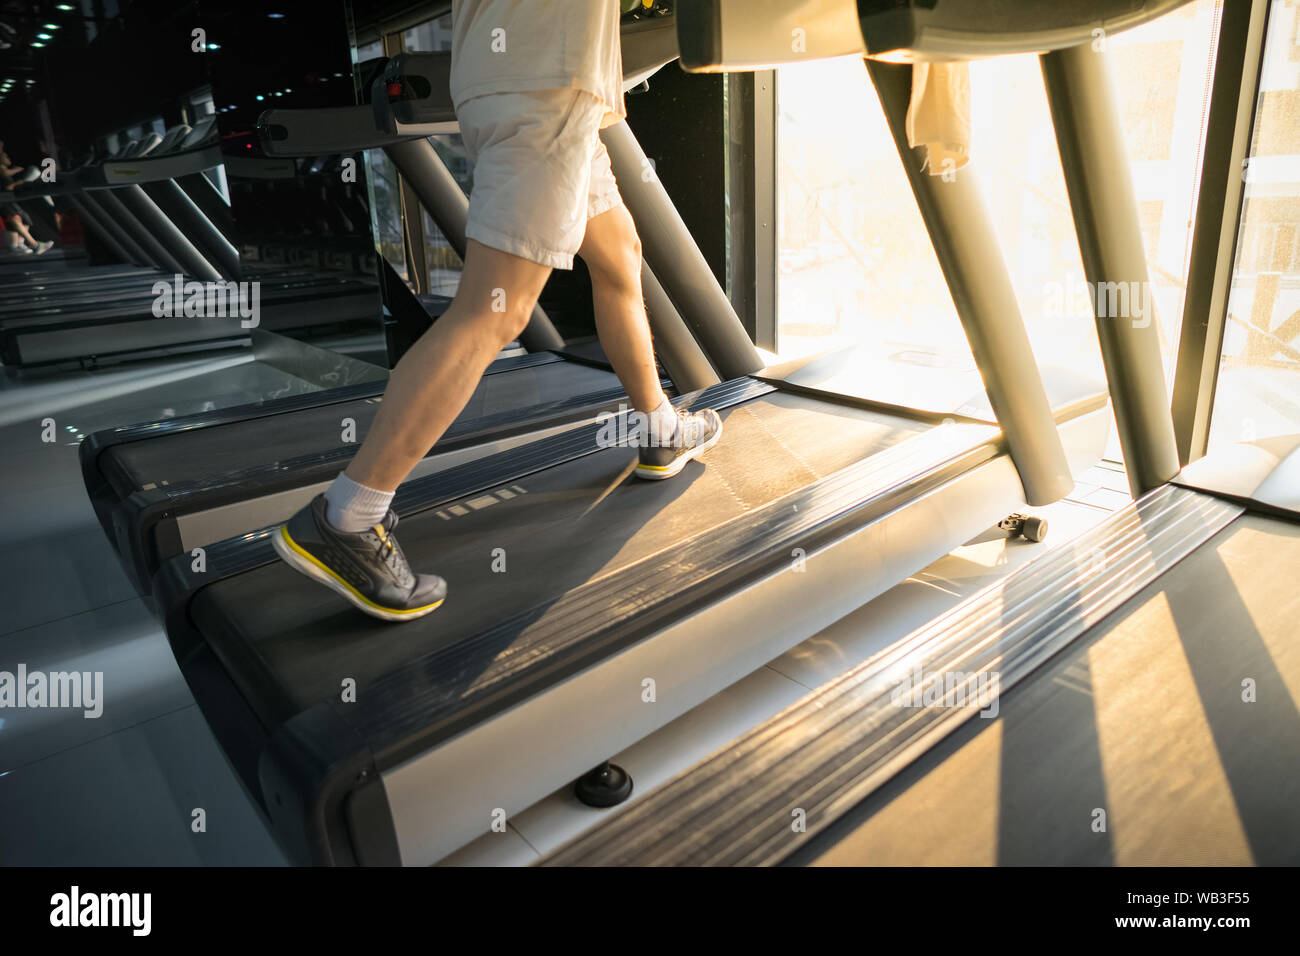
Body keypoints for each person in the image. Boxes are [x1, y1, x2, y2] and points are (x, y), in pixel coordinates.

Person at [273, 0, 723, 622]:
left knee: (620, 257)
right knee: (496, 310)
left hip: (540, 82)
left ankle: (660, 431)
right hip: (546, 84)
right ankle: (347, 516)